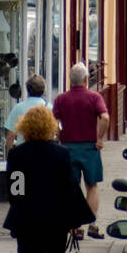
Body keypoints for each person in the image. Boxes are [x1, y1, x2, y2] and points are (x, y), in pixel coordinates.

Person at [3, 105, 94, 253]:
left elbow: (15, 189)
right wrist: (75, 219)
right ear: (50, 127)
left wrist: (19, 207)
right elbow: (69, 188)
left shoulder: (17, 154)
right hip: (56, 221)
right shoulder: (61, 154)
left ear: (25, 127)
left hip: (26, 219)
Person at [52, 63, 109, 239]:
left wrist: (59, 135)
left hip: (68, 148)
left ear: (70, 80)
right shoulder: (94, 97)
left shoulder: (61, 99)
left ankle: (75, 227)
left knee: (71, 187)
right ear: (86, 79)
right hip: (90, 148)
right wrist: (100, 138)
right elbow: (105, 117)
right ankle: (92, 224)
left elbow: (53, 120)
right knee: (91, 186)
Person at [5, 74, 48, 153]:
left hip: (23, 153)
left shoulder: (18, 108)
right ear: (43, 90)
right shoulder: (49, 108)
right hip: (45, 153)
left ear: (27, 89)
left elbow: (10, 136)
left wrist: (9, 156)